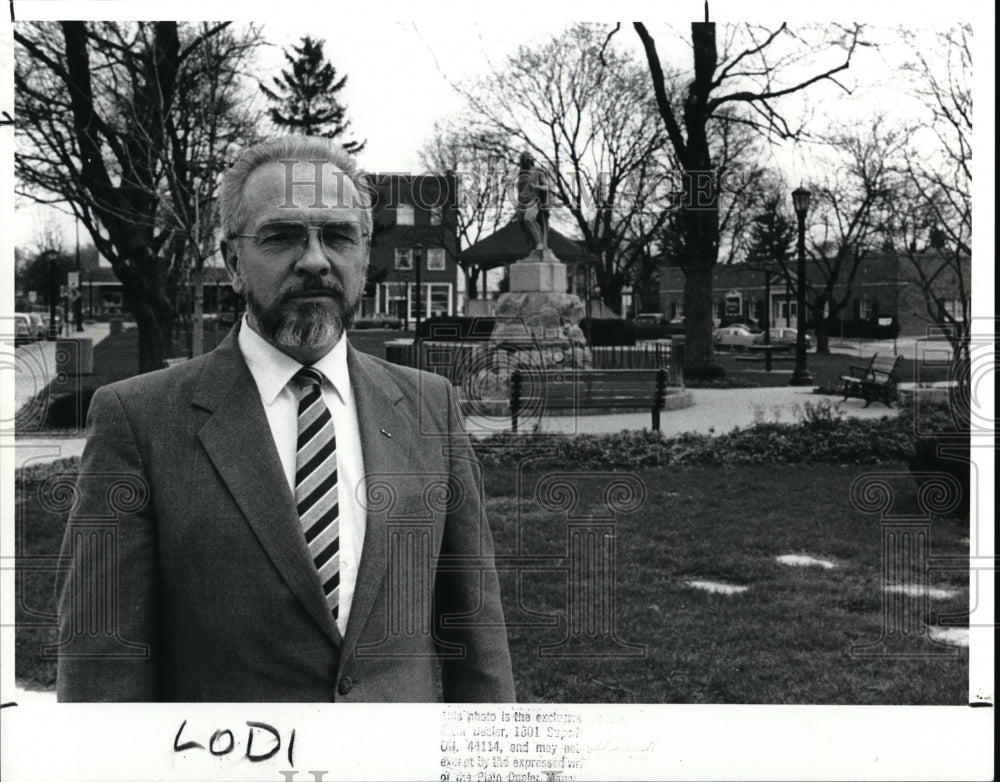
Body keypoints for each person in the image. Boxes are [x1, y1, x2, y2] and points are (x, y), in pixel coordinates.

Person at [55, 136, 516, 702]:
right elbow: (102, 668)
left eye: (339, 235)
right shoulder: (139, 420)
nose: (316, 259)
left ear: (365, 256)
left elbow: (478, 638)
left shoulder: (430, 406)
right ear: (232, 263)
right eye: (282, 235)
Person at [515, 151, 550, 253]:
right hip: (522, 202)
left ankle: (540, 242)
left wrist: (535, 186)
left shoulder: (538, 172)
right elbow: (520, 189)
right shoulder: (521, 174)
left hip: (534, 200)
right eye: (523, 159)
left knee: (528, 219)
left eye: (527, 158)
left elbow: (546, 187)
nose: (525, 161)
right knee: (522, 223)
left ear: (530, 160)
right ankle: (534, 243)